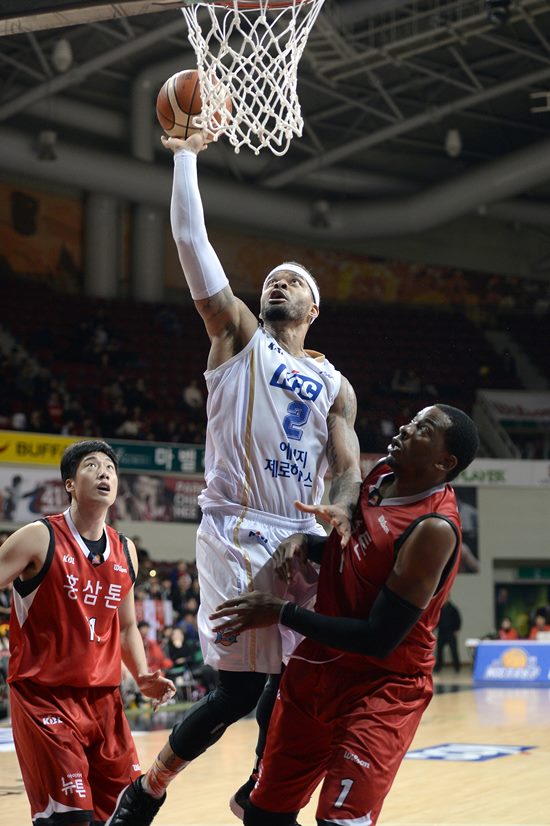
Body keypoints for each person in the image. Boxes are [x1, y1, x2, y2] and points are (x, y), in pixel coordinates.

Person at [106, 131, 361, 826]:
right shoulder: (239, 336)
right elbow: (191, 243)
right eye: (273, 277)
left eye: (295, 282)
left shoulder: (334, 384)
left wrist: (340, 509)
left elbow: (346, 468)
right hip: (235, 527)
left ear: (314, 310)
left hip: (300, 538)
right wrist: (186, 155)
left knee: (300, 682)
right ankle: (150, 786)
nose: (280, 283)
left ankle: (259, 790)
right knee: (239, 687)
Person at [209, 404, 479, 826]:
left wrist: (282, 612)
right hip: (318, 667)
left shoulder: (432, 529)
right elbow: (351, 548)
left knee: (338, 821)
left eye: (423, 428)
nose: (406, 426)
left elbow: (378, 638)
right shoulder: (378, 478)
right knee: (262, 815)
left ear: (445, 462)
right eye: (411, 419)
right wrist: (304, 541)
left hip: (382, 686)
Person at [0, 439, 175, 826]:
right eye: (92, 466)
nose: (104, 473)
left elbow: (126, 624)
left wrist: (143, 674)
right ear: (69, 484)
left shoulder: (125, 549)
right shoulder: (38, 537)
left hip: (104, 700)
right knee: (70, 817)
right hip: (45, 697)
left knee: (122, 814)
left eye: (110, 468)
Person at [434, 597, 462, 673]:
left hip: (451, 632)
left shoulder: (453, 609)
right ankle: (438, 668)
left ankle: (457, 668)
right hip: (441, 632)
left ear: (449, 598)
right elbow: (436, 620)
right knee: (439, 651)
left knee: (454, 651)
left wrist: (457, 630)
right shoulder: (440, 609)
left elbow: (458, 620)